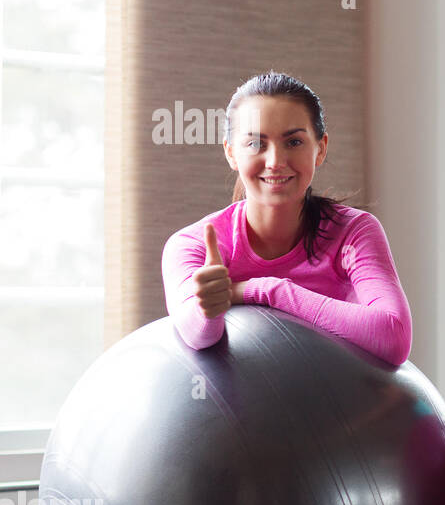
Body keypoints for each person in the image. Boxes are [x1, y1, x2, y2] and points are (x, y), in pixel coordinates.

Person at [161, 71, 413, 365]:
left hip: (341, 409)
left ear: (320, 149)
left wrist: (267, 290)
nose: (275, 162)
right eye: (256, 144)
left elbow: (393, 336)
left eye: (293, 142)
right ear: (231, 153)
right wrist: (210, 308)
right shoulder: (192, 245)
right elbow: (198, 337)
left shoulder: (354, 233)